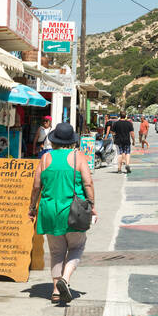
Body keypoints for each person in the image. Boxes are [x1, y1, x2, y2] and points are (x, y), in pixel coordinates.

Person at [28, 121, 96, 305]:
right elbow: (88, 183)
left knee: (57, 252)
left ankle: (56, 291)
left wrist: (31, 208)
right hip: (73, 211)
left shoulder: (45, 158)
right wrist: (92, 205)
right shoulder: (78, 157)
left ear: (54, 140)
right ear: (72, 140)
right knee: (76, 247)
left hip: (49, 210)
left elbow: (36, 187)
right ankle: (65, 280)